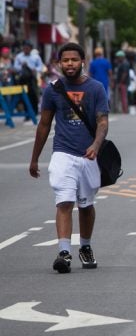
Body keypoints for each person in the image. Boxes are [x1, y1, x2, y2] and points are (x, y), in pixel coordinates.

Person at [28, 42, 109, 273]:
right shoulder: (53, 89)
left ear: (83, 61)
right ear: (59, 63)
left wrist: (95, 144)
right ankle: (64, 252)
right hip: (62, 153)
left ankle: (85, 247)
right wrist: (34, 159)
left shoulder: (96, 88)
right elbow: (44, 125)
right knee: (64, 201)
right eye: (65, 60)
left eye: (74, 60)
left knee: (86, 205)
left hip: (88, 156)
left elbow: (103, 122)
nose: (70, 64)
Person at [14, 40, 46, 116]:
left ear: (30, 48)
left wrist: (35, 69)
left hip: (32, 79)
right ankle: (27, 113)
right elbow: (15, 67)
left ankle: (34, 111)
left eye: (27, 48)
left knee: (33, 95)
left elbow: (40, 67)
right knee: (24, 96)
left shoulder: (36, 56)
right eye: (24, 48)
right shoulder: (19, 56)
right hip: (22, 79)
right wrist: (21, 66)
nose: (26, 50)